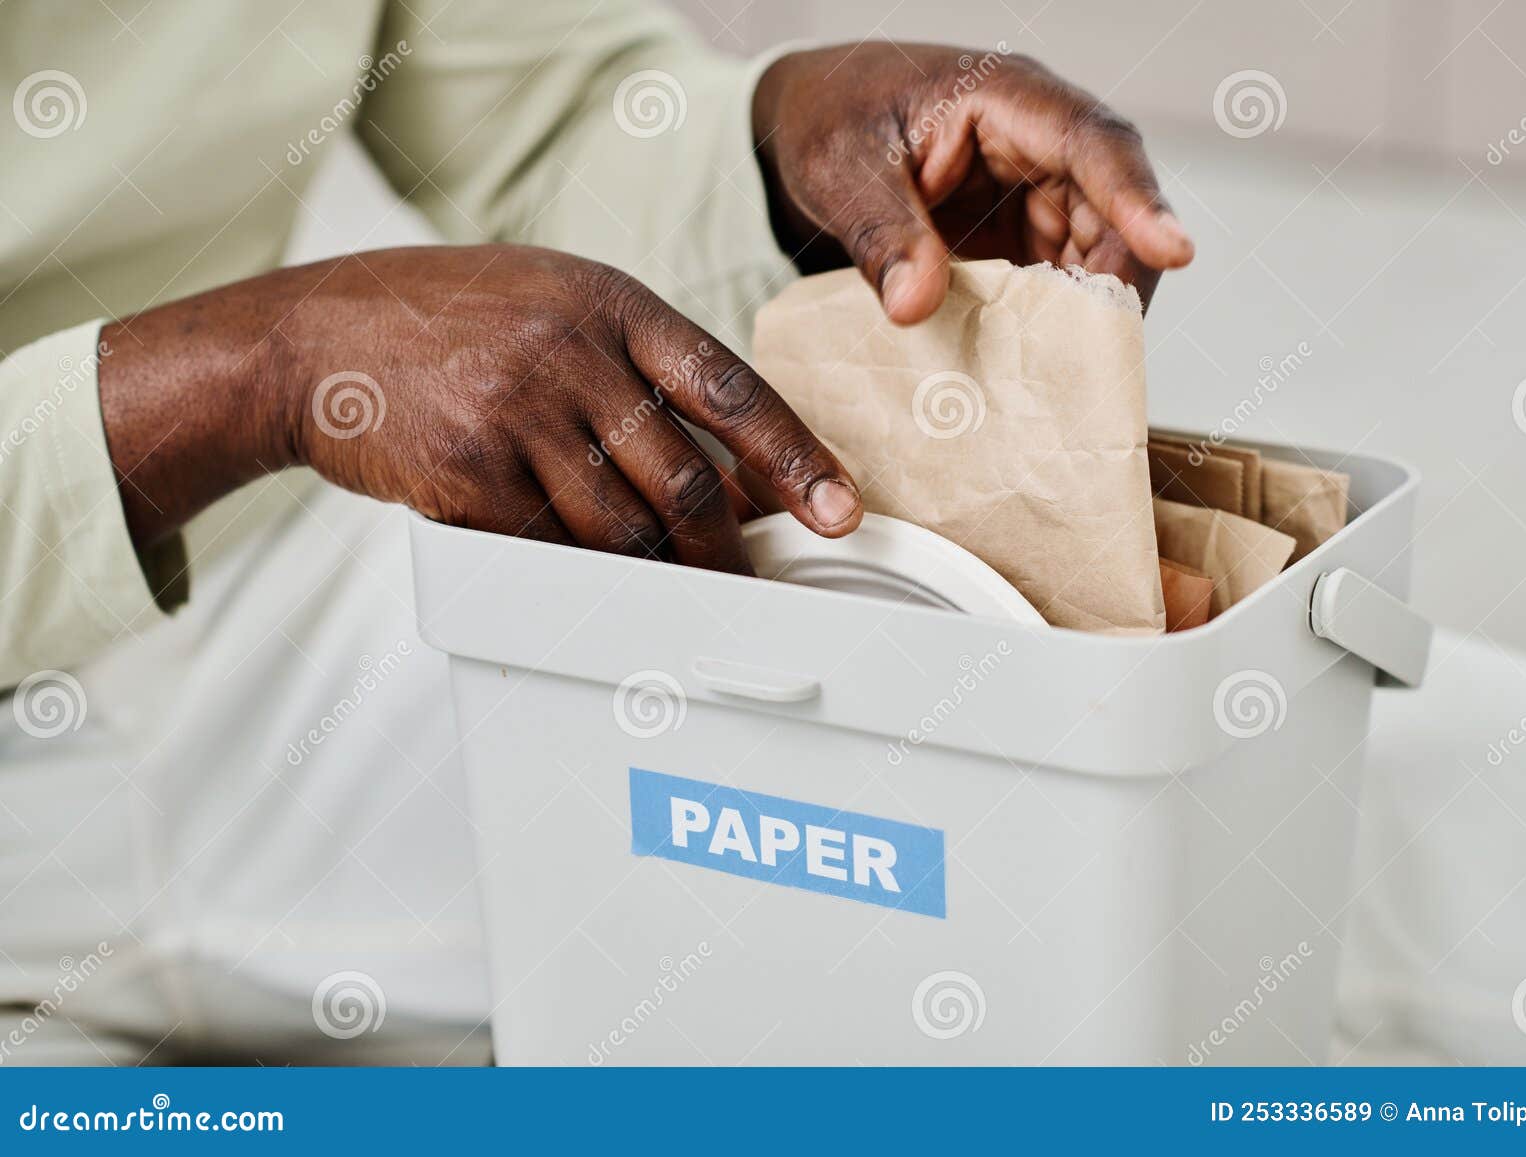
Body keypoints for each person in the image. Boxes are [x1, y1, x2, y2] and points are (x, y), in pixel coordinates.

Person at [0, 0, 1191, 1064]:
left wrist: (772, 150)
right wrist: (259, 371)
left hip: (254, 569)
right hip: (146, 544)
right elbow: (272, 369)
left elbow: (545, 105)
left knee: (982, 933)